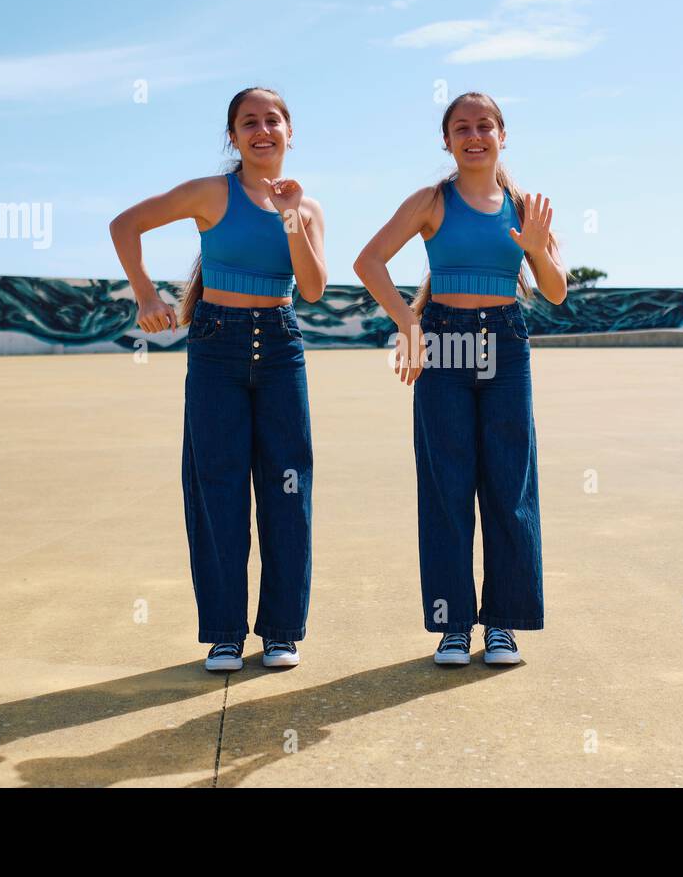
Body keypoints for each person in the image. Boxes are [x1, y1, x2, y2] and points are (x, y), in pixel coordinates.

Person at [109, 87, 326, 672]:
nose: (262, 129)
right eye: (248, 122)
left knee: (287, 489)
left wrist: (289, 218)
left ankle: (281, 631)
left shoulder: (306, 209)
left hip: (281, 347)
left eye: (272, 119)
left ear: (289, 131)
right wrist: (146, 292)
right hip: (216, 345)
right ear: (233, 137)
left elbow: (310, 289)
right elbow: (126, 224)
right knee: (217, 489)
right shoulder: (211, 193)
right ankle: (225, 632)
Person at [354, 91, 566, 666]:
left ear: (502, 134)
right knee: (447, 486)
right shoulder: (431, 200)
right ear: (446, 141)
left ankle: (503, 624)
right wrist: (410, 323)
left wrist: (535, 249)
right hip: (443, 339)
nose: (474, 136)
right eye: (462, 128)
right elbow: (369, 261)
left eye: (485, 126)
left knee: (508, 485)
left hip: (506, 339)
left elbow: (554, 290)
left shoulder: (524, 206)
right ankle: (452, 626)